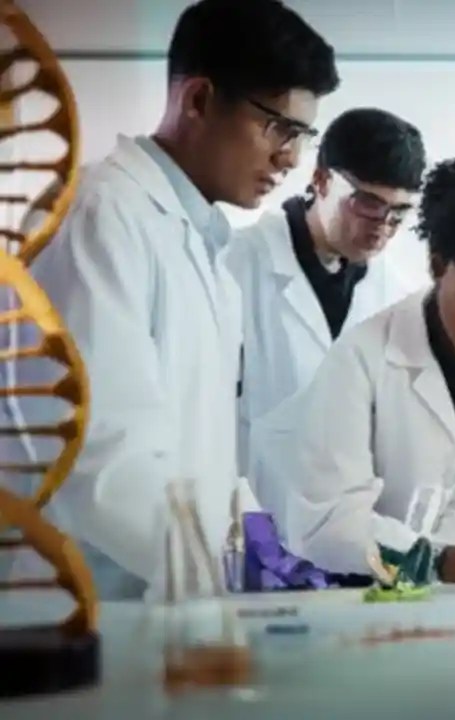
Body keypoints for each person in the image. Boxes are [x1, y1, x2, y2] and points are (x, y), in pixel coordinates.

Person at [15, 0, 339, 598]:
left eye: (303, 135)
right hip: (101, 606)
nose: (291, 158)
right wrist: (219, 573)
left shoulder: (204, 243)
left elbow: (199, 443)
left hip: (168, 604)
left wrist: (255, 532)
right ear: (197, 100)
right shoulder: (99, 216)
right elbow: (98, 459)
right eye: (279, 127)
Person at [282, 154, 455, 583]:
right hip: (356, 588)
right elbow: (328, 520)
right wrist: (432, 559)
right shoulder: (362, 355)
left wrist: (445, 564)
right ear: (437, 266)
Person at [227, 107, 426, 523]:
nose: (382, 227)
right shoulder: (235, 266)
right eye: (368, 203)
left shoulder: (401, 298)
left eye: (399, 213)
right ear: (320, 180)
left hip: (354, 541)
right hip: (247, 535)